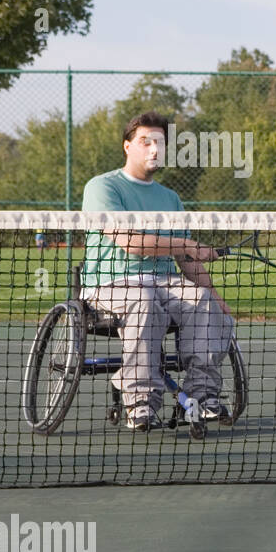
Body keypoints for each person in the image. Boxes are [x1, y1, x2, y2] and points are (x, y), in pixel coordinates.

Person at [80, 112, 235, 432]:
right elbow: (128, 242)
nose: (154, 149)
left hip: (165, 282)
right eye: (145, 142)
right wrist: (188, 244)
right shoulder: (102, 187)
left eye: (160, 143)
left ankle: (203, 398)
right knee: (144, 300)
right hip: (110, 283)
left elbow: (187, 260)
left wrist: (213, 295)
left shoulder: (171, 199)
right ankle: (140, 403)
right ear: (127, 146)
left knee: (201, 300)